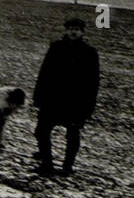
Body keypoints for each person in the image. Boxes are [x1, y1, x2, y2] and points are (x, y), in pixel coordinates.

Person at [32, 17, 100, 176]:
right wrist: (38, 96)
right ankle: (47, 165)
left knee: (73, 135)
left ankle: (67, 167)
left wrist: (89, 105)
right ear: (66, 30)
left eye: (76, 29)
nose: (73, 31)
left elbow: (93, 81)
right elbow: (44, 73)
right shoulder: (56, 47)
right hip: (52, 99)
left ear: (82, 32)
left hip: (75, 102)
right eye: (70, 28)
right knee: (41, 131)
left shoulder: (89, 53)